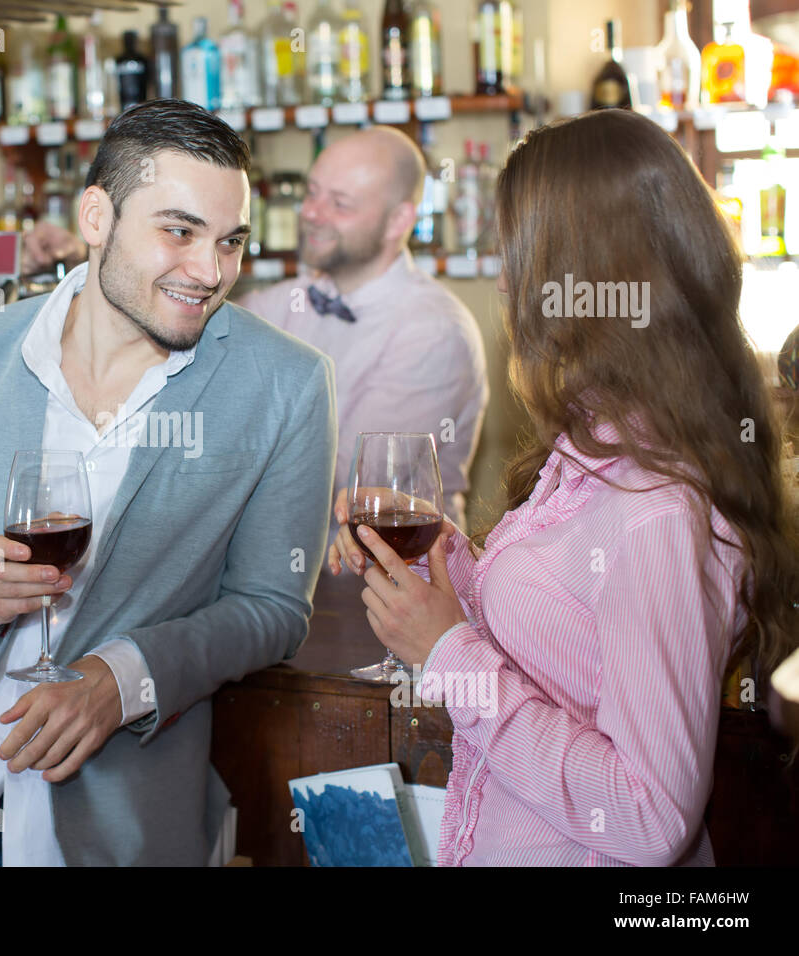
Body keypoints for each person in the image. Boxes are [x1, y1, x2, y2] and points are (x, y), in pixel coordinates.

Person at [0, 99, 336, 867]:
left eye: (230, 242)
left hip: (121, 835)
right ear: (96, 216)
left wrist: (126, 678)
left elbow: (274, 608)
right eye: (179, 232)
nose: (210, 272)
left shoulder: (286, 384)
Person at [328, 108, 799, 866]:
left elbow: (649, 818)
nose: (504, 277)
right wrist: (441, 554)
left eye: (516, 251)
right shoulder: (597, 445)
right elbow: (565, 637)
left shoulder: (654, 510)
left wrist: (447, 652)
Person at [24, 127, 487, 532]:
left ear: (399, 221)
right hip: (291, 588)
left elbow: (348, 485)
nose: (311, 213)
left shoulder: (433, 330)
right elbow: (178, 316)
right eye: (313, 192)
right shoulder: (292, 298)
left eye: (339, 204)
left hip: (389, 592)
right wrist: (96, 251)